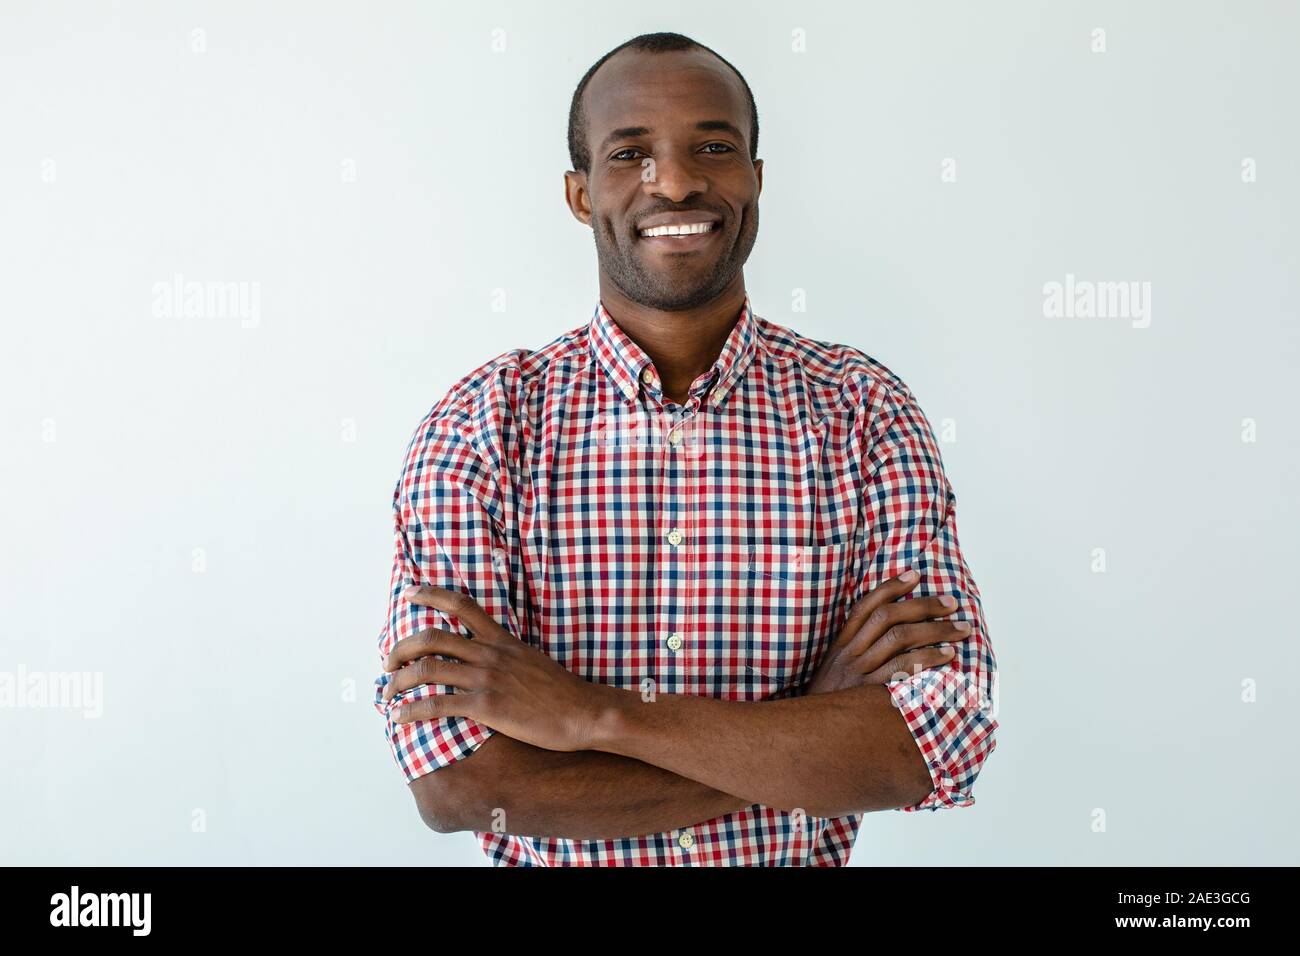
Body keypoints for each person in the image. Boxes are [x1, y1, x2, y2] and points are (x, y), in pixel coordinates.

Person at [373, 31, 998, 866]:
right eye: (630, 153)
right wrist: (806, 728)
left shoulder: (863, 413)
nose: (675, 180)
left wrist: (591, 716)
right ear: (581, 194)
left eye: (714, 146)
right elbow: (462, 786)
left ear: (757, 178)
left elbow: (934, 741)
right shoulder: (481, 426)